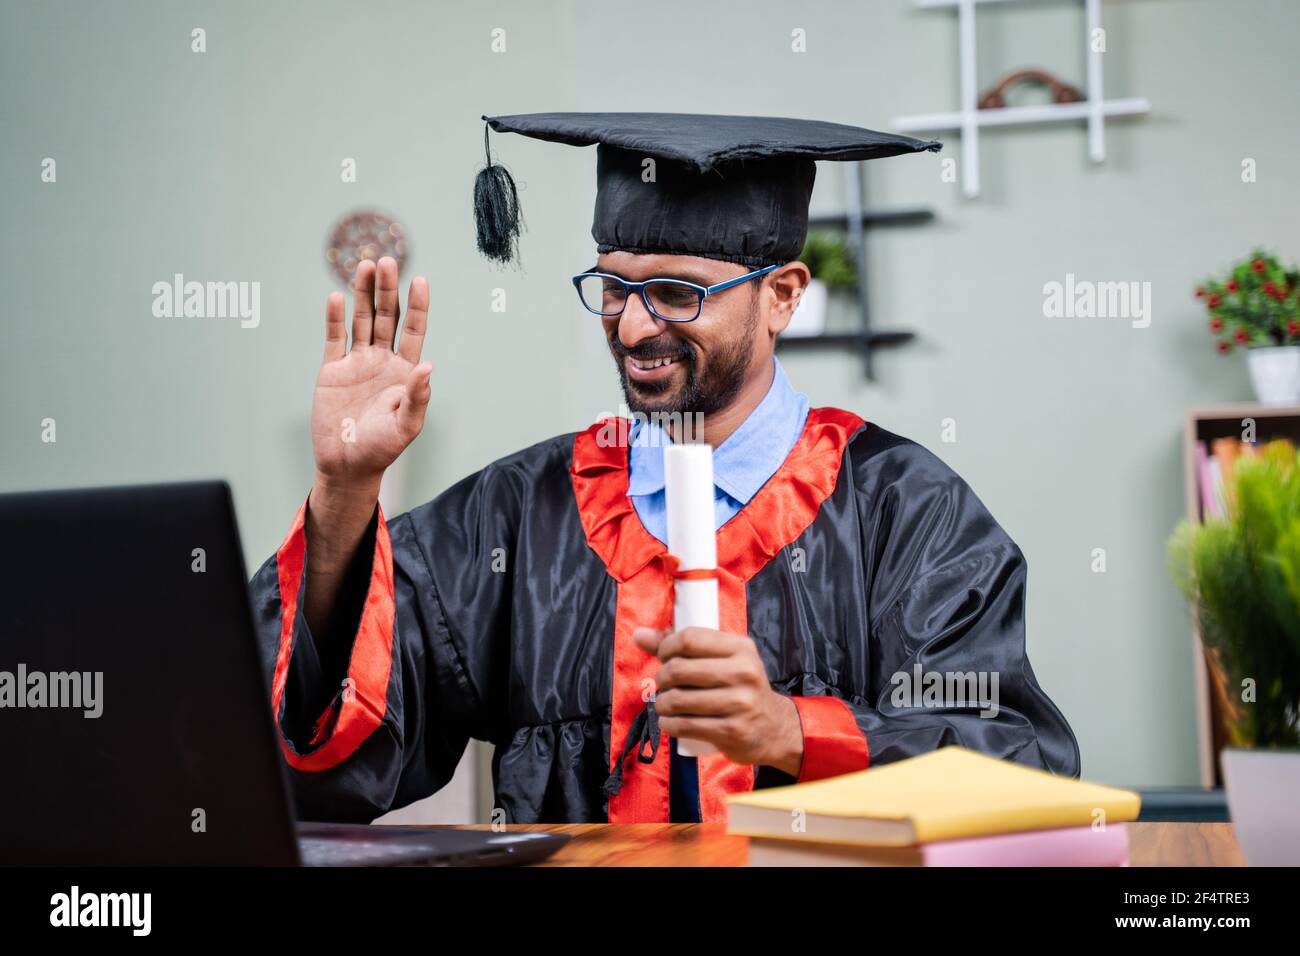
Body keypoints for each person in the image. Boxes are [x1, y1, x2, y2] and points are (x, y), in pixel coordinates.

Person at [251, 112, 1079, 824]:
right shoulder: (521, 509)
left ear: (783, 295)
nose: (636, 326)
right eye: (613, 287)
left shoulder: (904, 509)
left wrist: (791, 730)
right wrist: (347, 491)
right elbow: (324, 741)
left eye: (678, 293)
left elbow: (1014, 766)